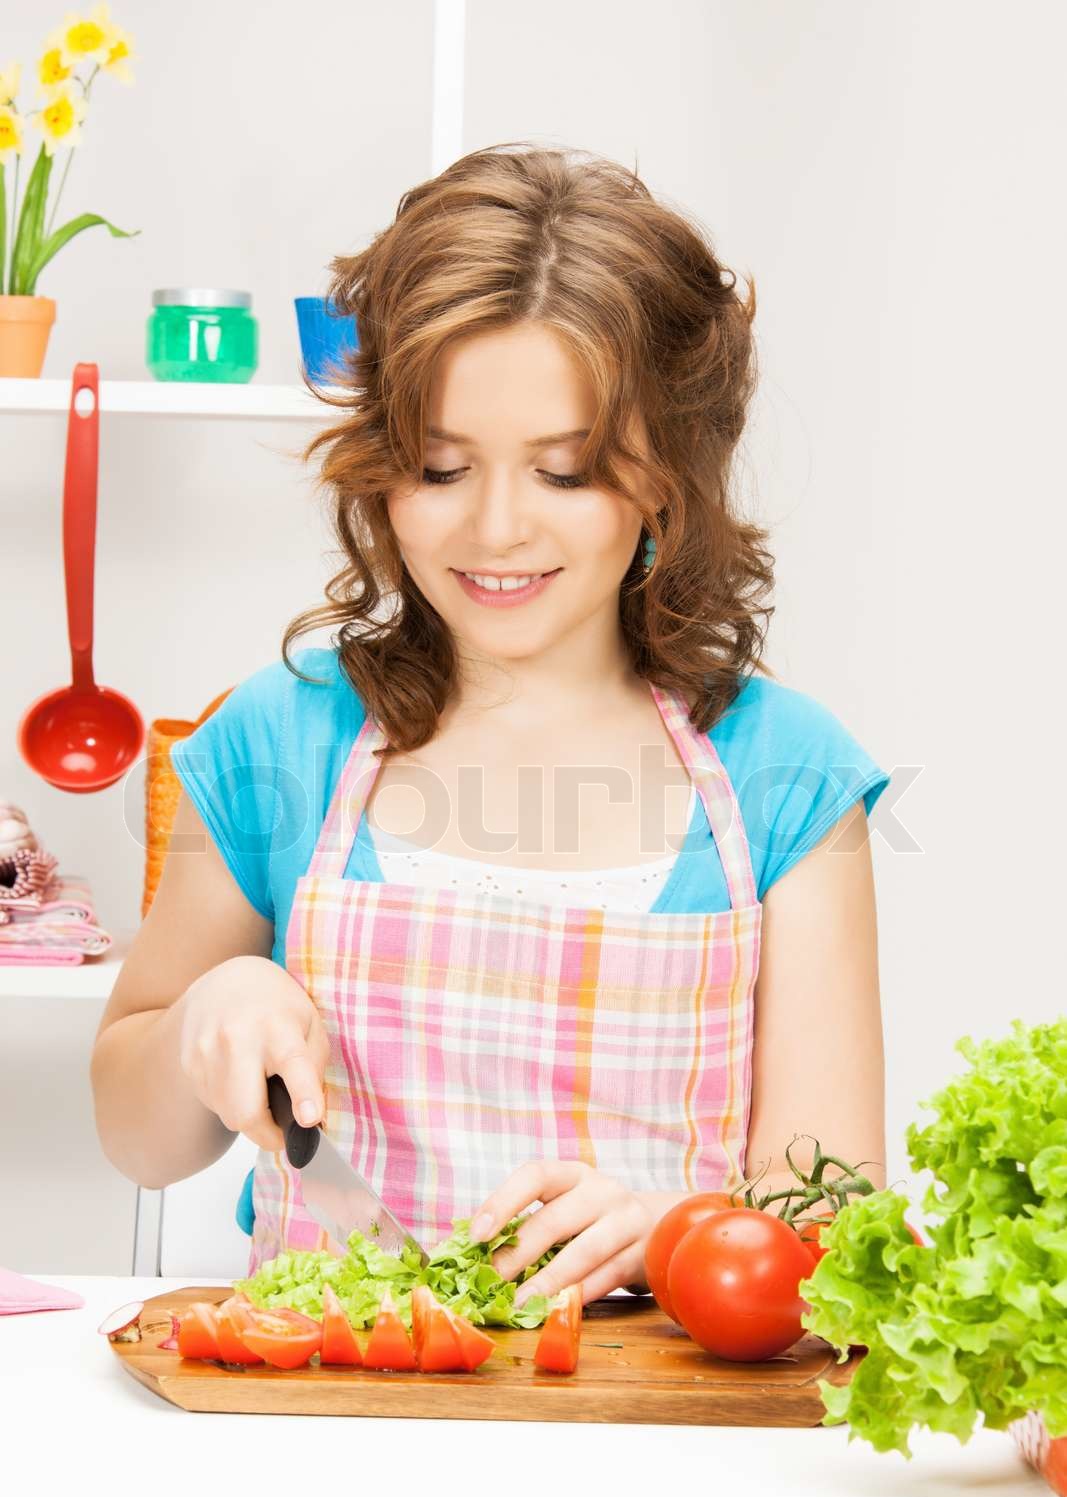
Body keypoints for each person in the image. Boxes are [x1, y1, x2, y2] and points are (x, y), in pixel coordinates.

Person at [91, 142, 889, 1306]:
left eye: (563, 474)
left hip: (667, 1445)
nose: (494, 527)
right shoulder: (282, 740)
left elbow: (830, 1218)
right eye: (440, 466)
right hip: (332, 1410)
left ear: (664, 477)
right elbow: (135, 1135)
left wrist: (675, 1231)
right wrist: (197, 1025)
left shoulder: (785, 774)